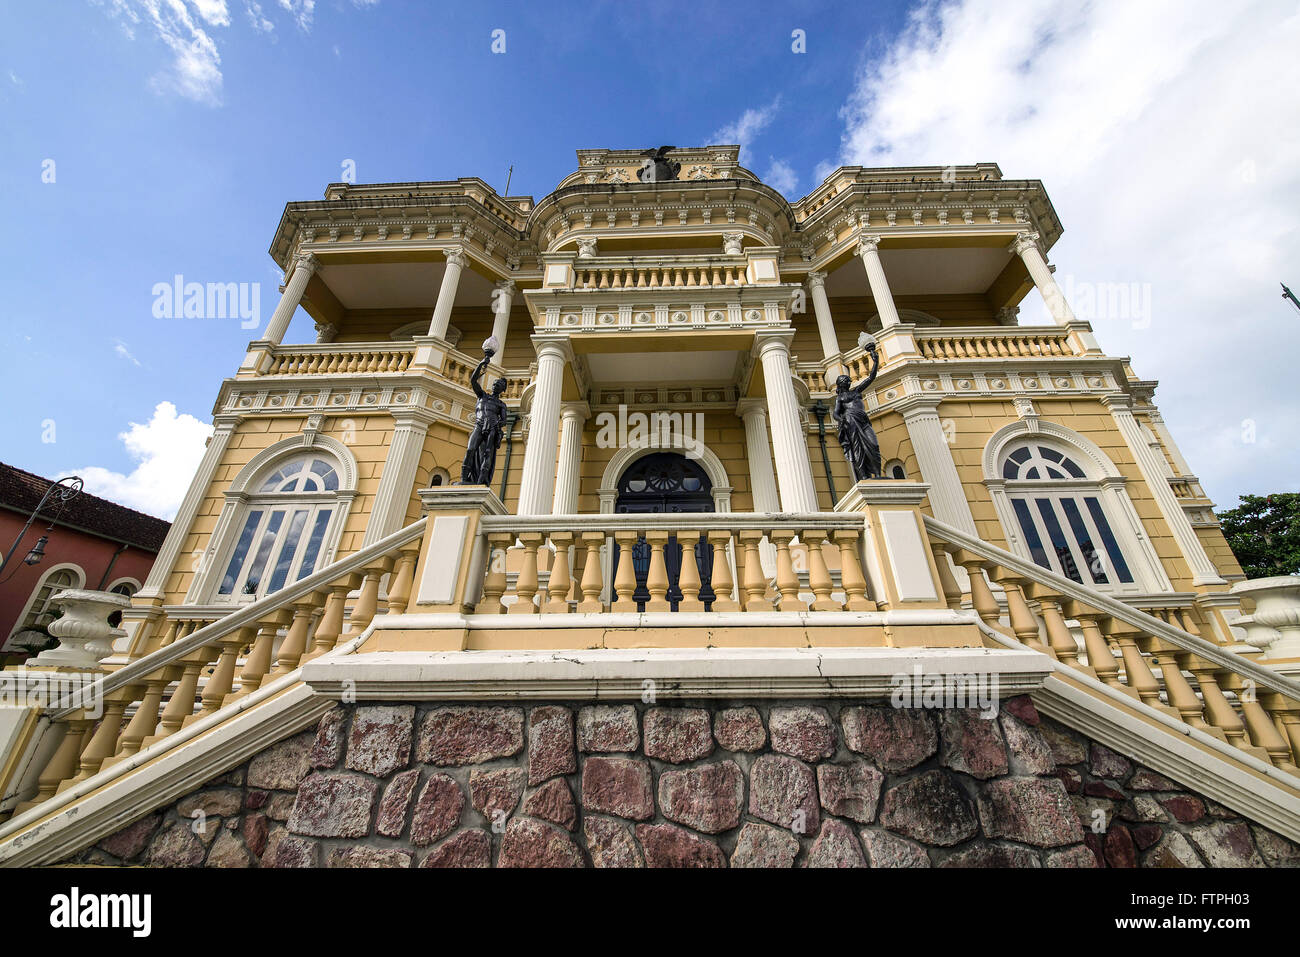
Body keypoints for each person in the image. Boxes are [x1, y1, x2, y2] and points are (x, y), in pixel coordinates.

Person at [831, 341, 882, 481]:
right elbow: (836, 413)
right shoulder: (840, 398)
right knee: (857, 449)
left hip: (863, 421)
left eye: (848, 381)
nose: (848, 382)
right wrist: (841, 420)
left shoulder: (856, 391)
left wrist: (874, 360)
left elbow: (871, 377)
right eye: (845, 381)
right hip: (850, 422)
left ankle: (878, 475)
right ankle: (864, 476)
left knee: (873, 445)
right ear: (841, 384)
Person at [460, 348, 508, 486]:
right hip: (479, 425)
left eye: (498, 385)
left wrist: (494, 425)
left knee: (487, 454)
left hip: (491, 428)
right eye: (494, 384)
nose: (495, 386)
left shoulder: (501, 404)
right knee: (470, 450)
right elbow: (473, 380)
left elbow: (504, 420)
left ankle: (481, 482)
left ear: (503, 390)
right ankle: (464, 479)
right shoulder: (482, 396)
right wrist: (482, 364)